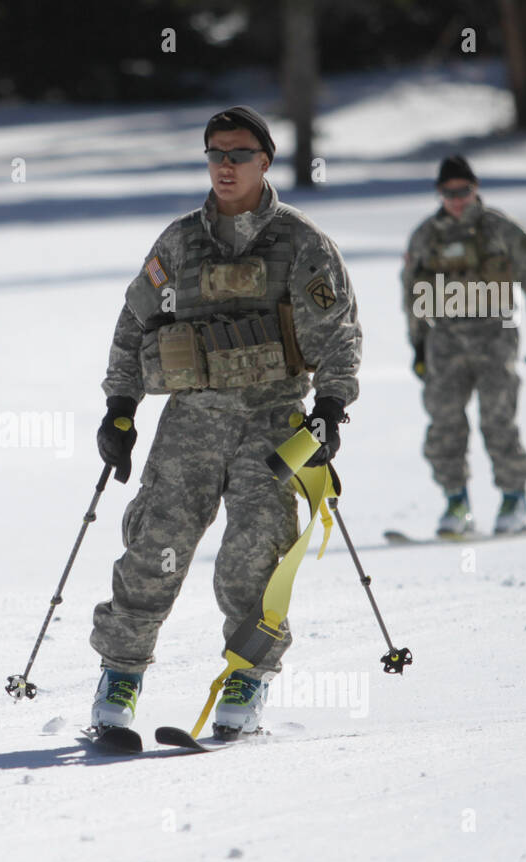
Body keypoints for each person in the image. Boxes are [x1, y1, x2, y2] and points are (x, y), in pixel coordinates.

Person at [89, 106, 362, 737]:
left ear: (265, 162)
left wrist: (329, 410)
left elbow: (338, 334)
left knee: (254, 556)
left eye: (238, 154)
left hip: (273, 422)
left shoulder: (302, 244)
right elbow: (134, 325)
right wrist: (120, 408)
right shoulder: (180, 242)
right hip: (192, 419)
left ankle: (248, 677)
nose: (225, 166)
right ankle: (120, 678)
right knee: (156, 547)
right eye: (215, 153)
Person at [401, 155, 526, 536]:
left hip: (495, 338)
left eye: (463, 191)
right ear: (439, 192)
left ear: (475, 188)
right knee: (445, 423)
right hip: (444, 342)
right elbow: (412, 293)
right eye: (449, 192)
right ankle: (457, 503)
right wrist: (418, 346)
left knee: (497, 419)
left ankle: (514, 500)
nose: (456, 199)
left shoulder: (501, 230)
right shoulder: (425, 236)